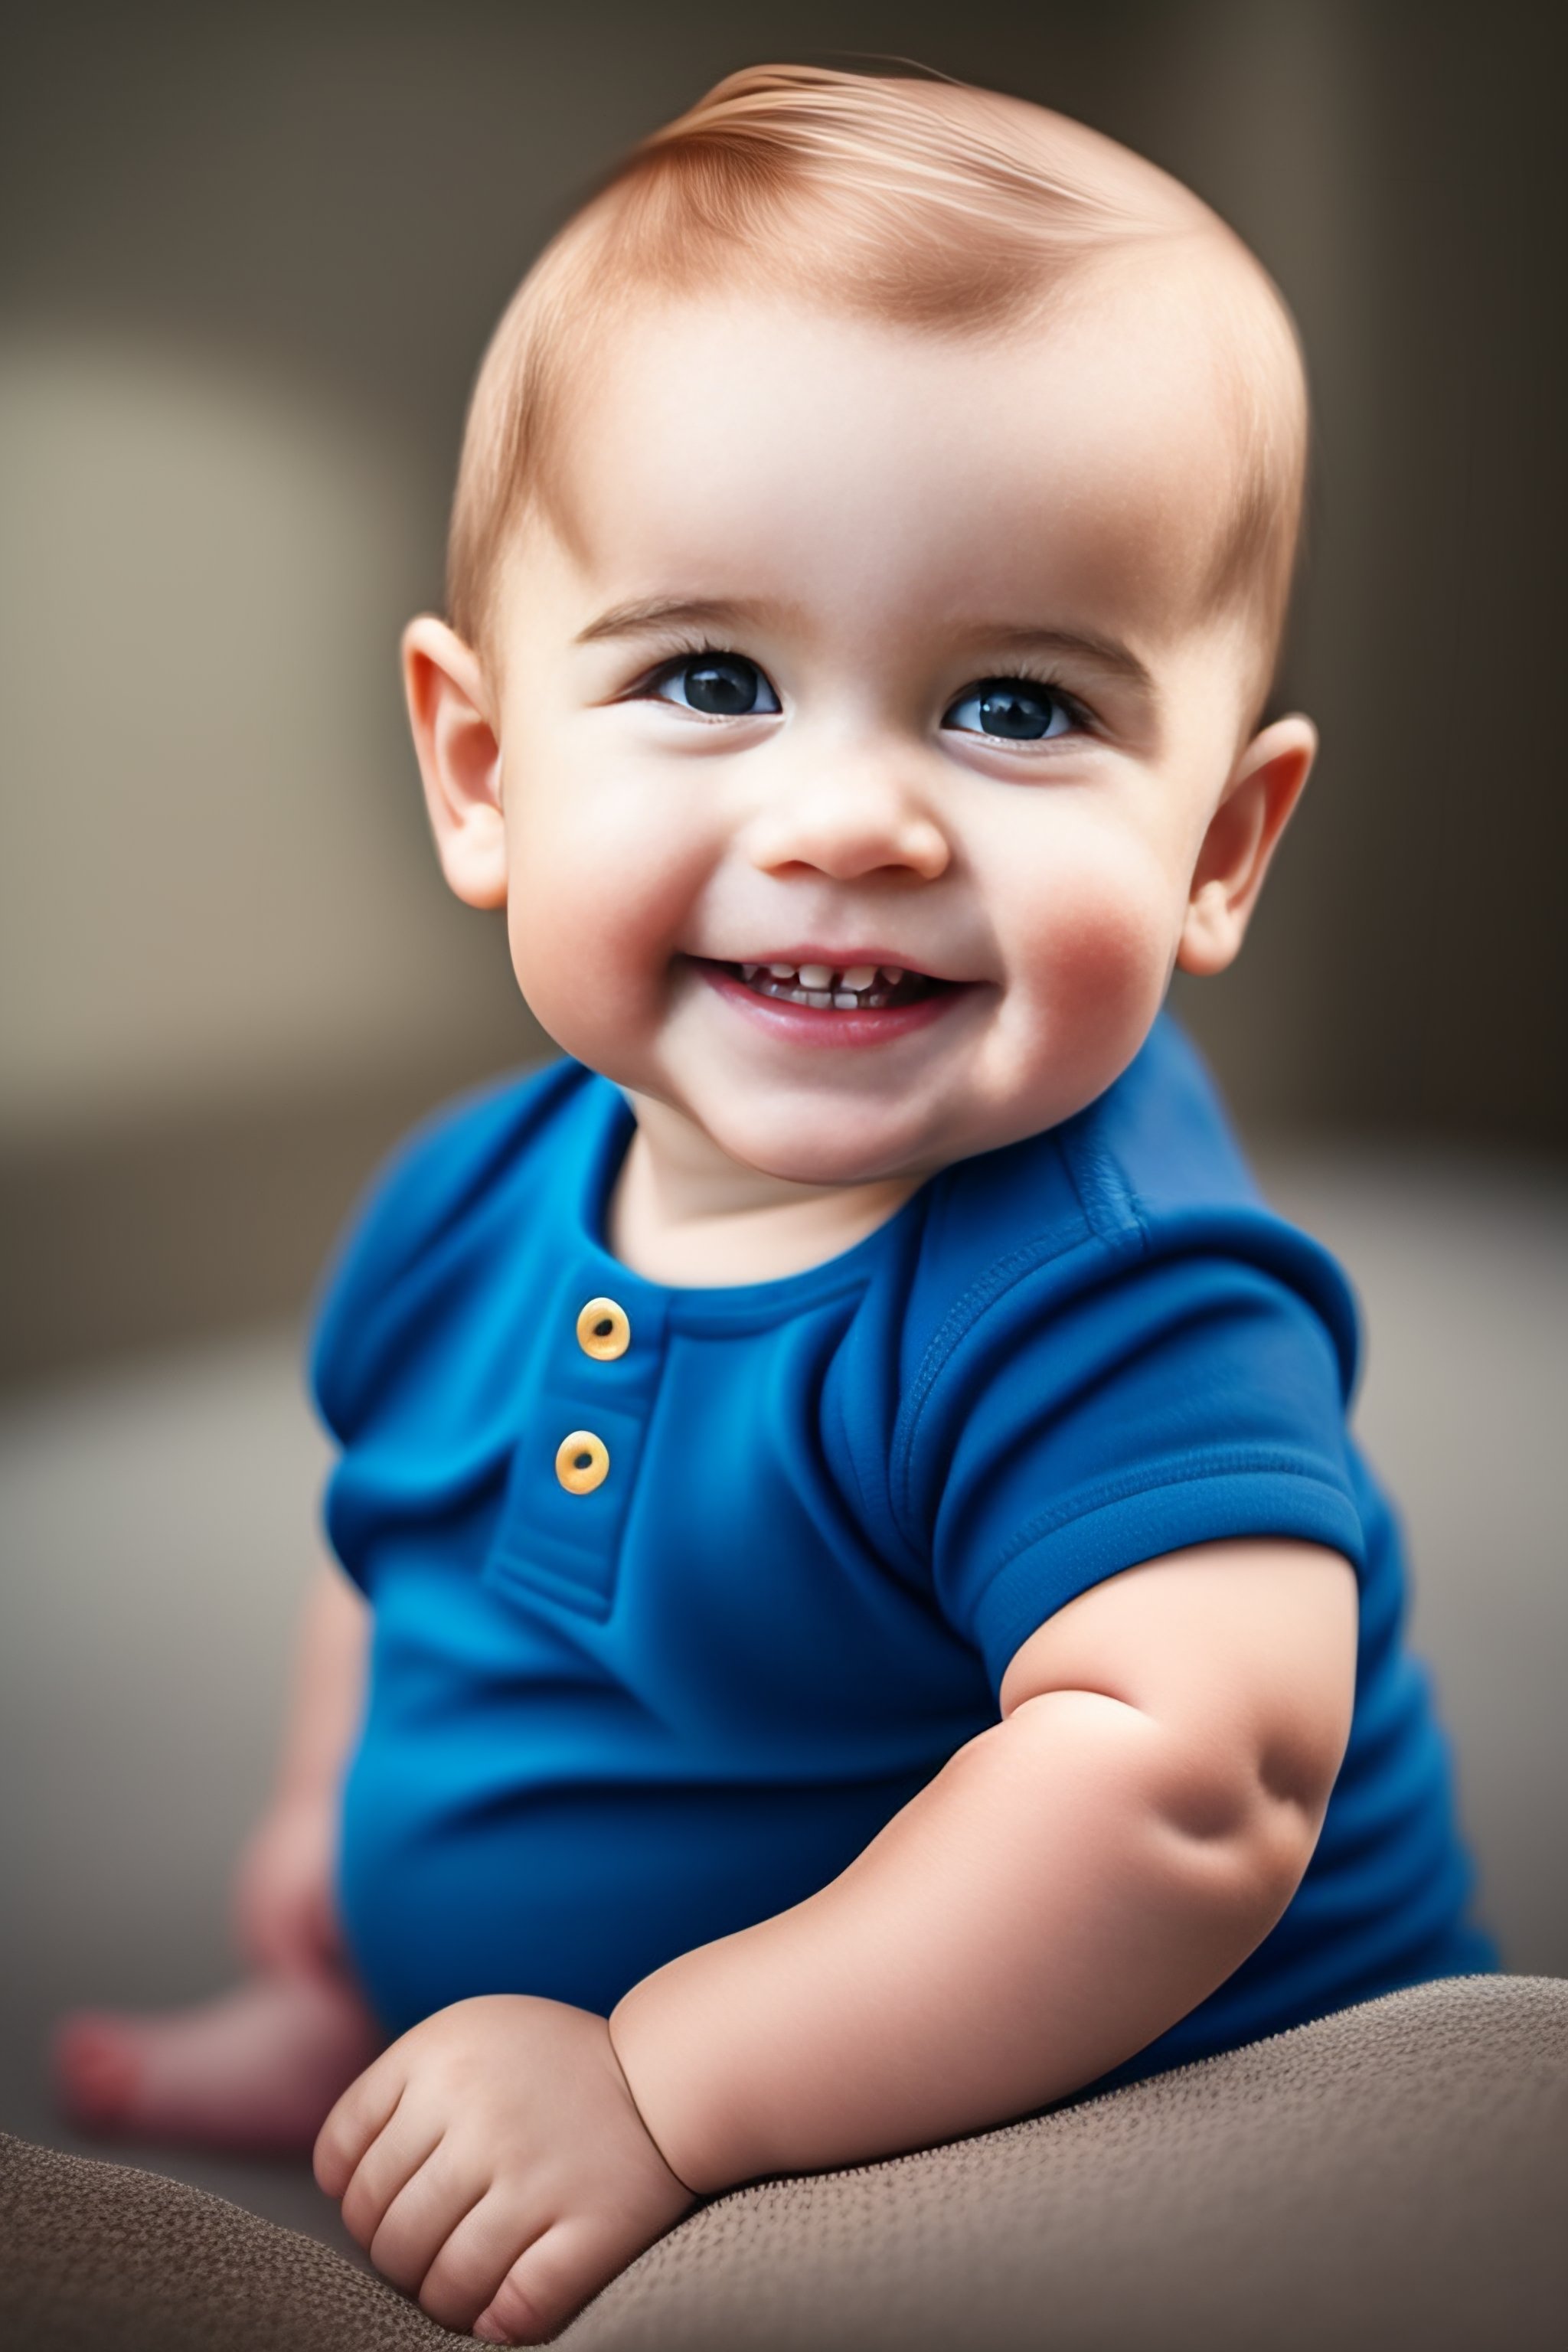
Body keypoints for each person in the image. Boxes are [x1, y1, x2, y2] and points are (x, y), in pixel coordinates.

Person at [55, 64, 1494, 2344]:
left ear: (1221, 847)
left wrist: (661, 2087)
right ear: (484, 768)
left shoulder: (1102, 1292)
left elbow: (1187, 1795)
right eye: (715, 678)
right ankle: (371, 2028)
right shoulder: (471, 1203)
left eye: (1016, 707)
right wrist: (331, 1883)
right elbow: (397, 1545)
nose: (856, 821)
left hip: (1092, 2107)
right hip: (586, 2051)